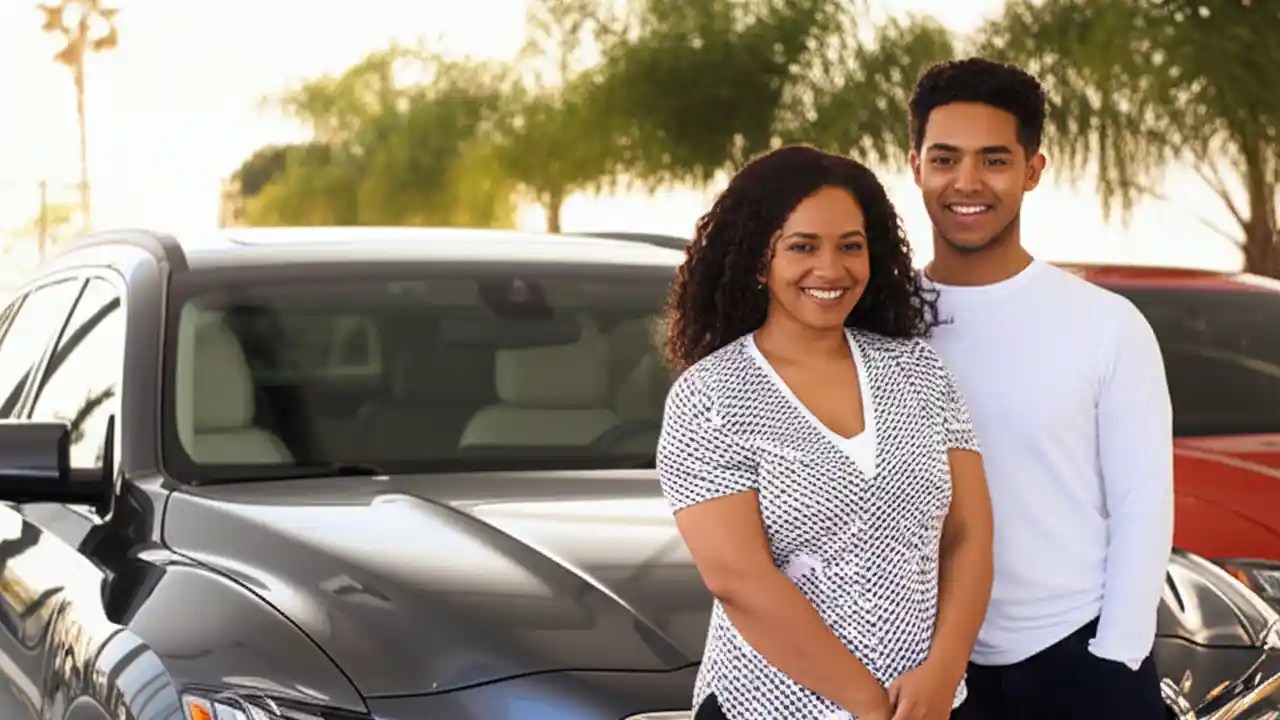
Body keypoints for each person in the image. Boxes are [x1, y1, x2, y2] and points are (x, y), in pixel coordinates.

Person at [656, 144, 994, 720]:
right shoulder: (710, 397)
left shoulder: (918, 371)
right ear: (759, 261)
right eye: (803, 247)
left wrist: (944, 671)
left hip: (928, 706)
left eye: (850, 246)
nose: (830, 269)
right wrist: (866, 703)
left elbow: (968, 535)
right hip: (767, 708)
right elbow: (737, 578)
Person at [905, 58, 1175, 719]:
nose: (966, 182)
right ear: (914, 164)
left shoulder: (1106, 324)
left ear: (1032, 170)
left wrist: (1117, 654)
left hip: (1078, 661)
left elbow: (1142, 504)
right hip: (923, 664)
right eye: (944, 159)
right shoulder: (882, 321)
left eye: (993, 160)